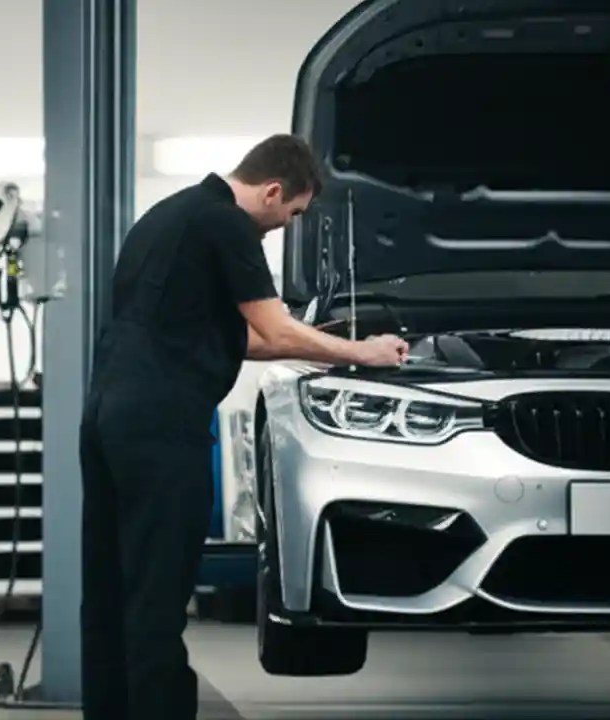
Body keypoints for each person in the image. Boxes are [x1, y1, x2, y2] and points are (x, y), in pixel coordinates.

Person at [78, 134, 407, 720]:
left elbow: (243, 339)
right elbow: (276, 328)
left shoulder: (164, 217)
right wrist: (363, 352)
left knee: (109, 593)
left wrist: (320, 347)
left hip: (106, 418)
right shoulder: (228, 224)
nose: (283, 228)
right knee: (158, 597)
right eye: (293, 214)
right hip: (162, 429)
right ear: (273, 191)